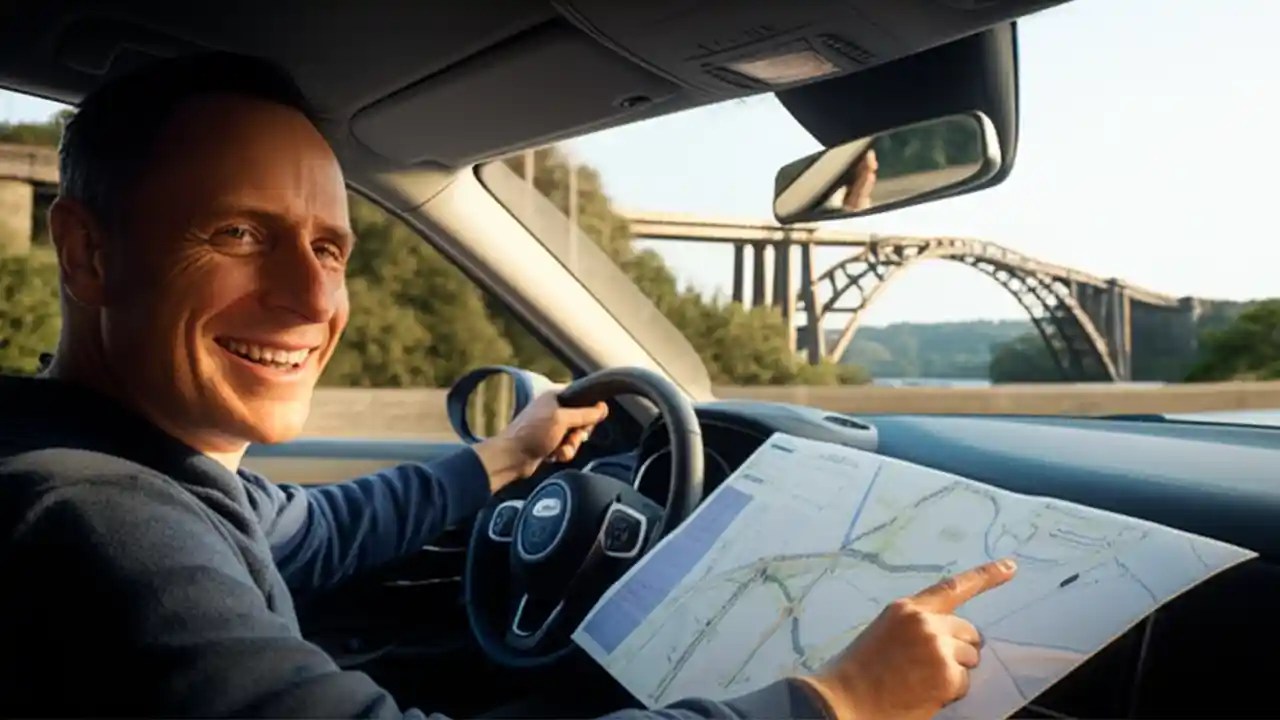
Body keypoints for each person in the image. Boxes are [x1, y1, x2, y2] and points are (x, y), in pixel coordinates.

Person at [0, 52, 1018, 719]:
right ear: (89, 255)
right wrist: (833, 700)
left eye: (329, 247)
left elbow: (313, 529)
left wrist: (502, 459)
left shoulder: (123, 466)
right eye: (236, 234)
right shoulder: (94, 526)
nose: (314, 299)